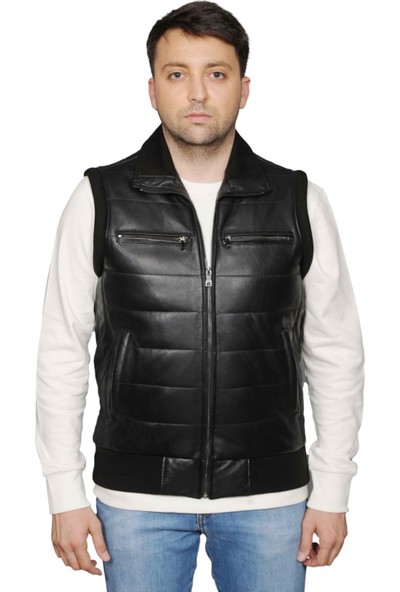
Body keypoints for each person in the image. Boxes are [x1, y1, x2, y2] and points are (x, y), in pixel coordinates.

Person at [36, 2, 364, 591]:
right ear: (152, 89)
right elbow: (62, 349)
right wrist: (64, 491)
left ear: (243, 88)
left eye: (216, 73)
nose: (197, 93)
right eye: (176, 73)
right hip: (135, 503)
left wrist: (333, 488)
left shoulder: (298, 200)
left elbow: (335, 351)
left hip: (272, 500)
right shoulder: (99, 198)